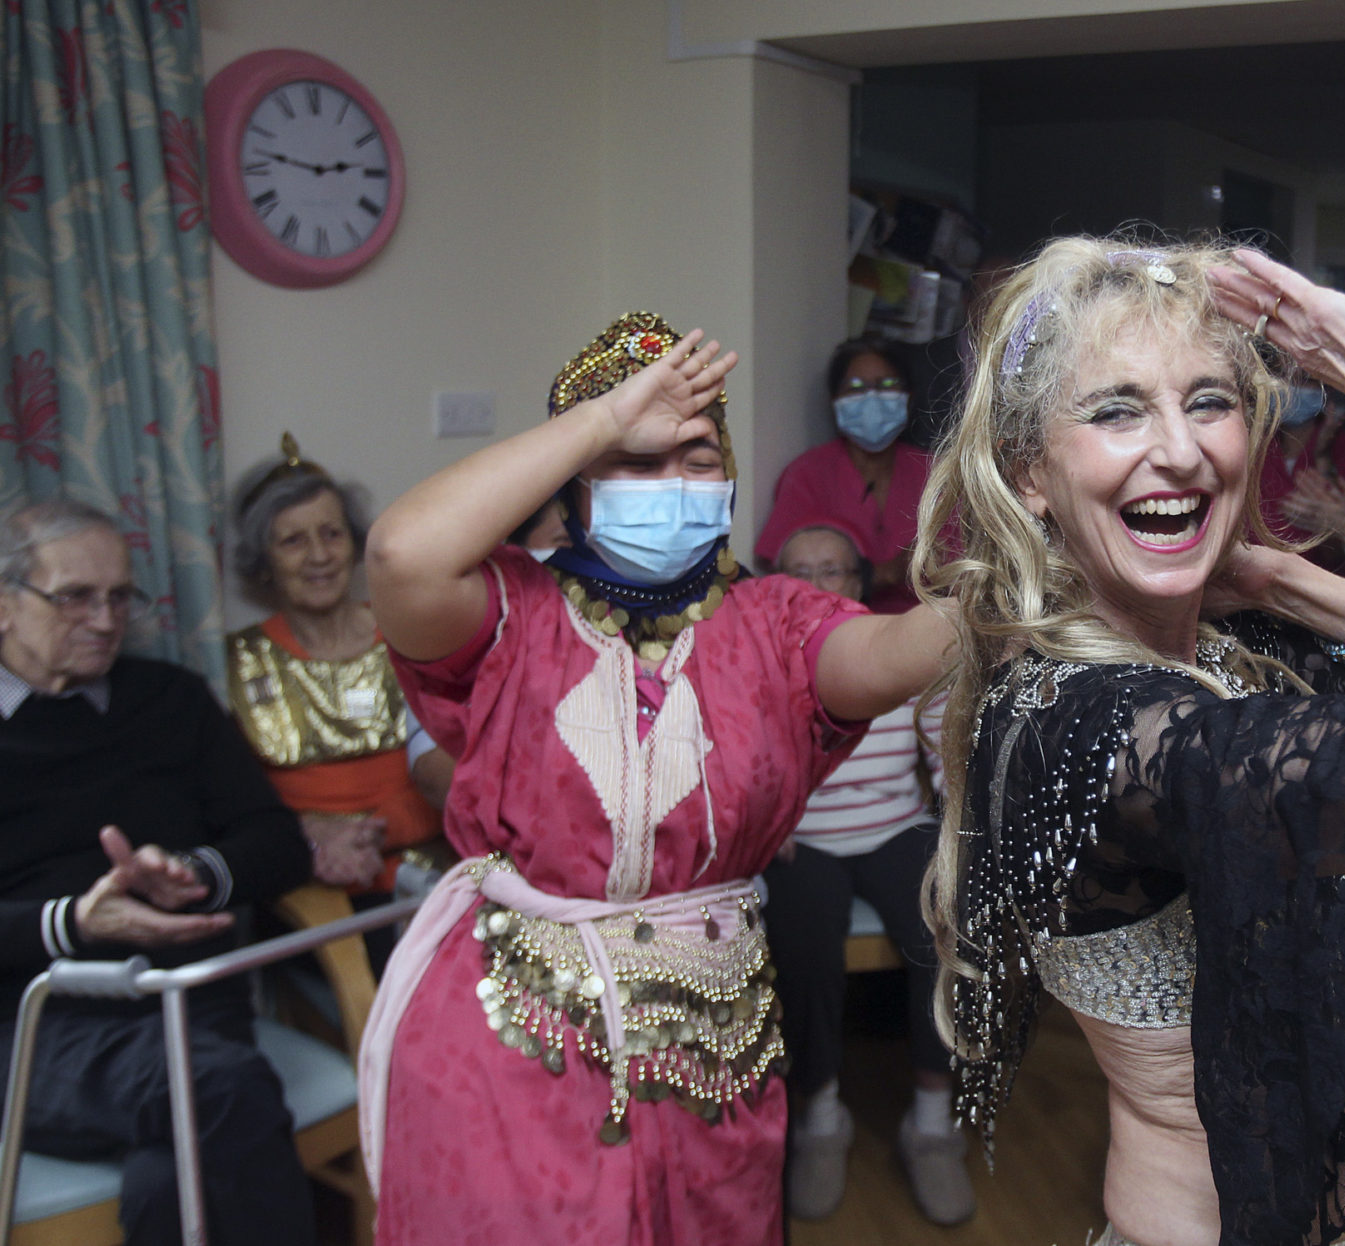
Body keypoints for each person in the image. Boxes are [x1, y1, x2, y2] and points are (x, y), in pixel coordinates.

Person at [917, 238, 1345, 1246]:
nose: (1180, 449)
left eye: (1208, 400)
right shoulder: (1070, 725)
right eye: (1116, 408)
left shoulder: (1233, 647)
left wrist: (1290, 582)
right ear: (1029, 472)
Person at [358, 313, 954, 1246]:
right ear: (579, 488)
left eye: (698, 457)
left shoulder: (776, 621)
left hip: (714, 1047)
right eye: (637, 465)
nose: (672, 484)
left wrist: (1040, 542)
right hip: (511, 1034)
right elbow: (402, 554)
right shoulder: (509, 608)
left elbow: (895, 649)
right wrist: (602, 421)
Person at [0, 498, 314, 1246]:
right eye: (75, 596)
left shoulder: (170, 700)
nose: (107, 620)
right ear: (5, 604)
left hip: (188, 1002)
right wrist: (73, 922)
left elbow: (279, 845)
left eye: (120, 596)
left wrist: (193, 873)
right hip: (35, 1022)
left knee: (172, 1174)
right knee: (219, 1089)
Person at [763, 520, 971, 1225]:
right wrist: (768, 823)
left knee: (942, 930)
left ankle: (932, 1121)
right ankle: (820, 1116)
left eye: (833, 570)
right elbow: (735, 756)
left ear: (857, 583)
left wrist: (953, 825)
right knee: (803, 949)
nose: (817, 585)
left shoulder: (898, 644)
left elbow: (947, 743)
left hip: (894, 824)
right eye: (800, 571)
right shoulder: (755, 653)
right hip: (804, 840)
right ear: (775, 584)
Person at [225, 435, 451, 903]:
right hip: (306, 885)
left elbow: (458, 768)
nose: (319, 556)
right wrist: (312, 838)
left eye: (332, 533)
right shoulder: (238, 663)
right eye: (293, 541)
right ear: (264, 562)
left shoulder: (409, 635)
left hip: (434, 868)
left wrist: (380, 830)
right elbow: (238, 807)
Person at [756, 337, 932, 613]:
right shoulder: (807, 474)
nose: (871, 398)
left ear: (909, 397)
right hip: (831, 629)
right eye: (855, 388)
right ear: (834, 399)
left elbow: (959, 563)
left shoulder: (935, 472)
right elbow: (787, 572)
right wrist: (886, 573)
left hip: (926, 629)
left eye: (887, 385)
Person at [1258, 376, 1345, 573]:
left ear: (1327, 391)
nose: (1292, 388)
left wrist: (1342, 527)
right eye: (1284, 377)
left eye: (1305, 380)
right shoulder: (1255, 447)